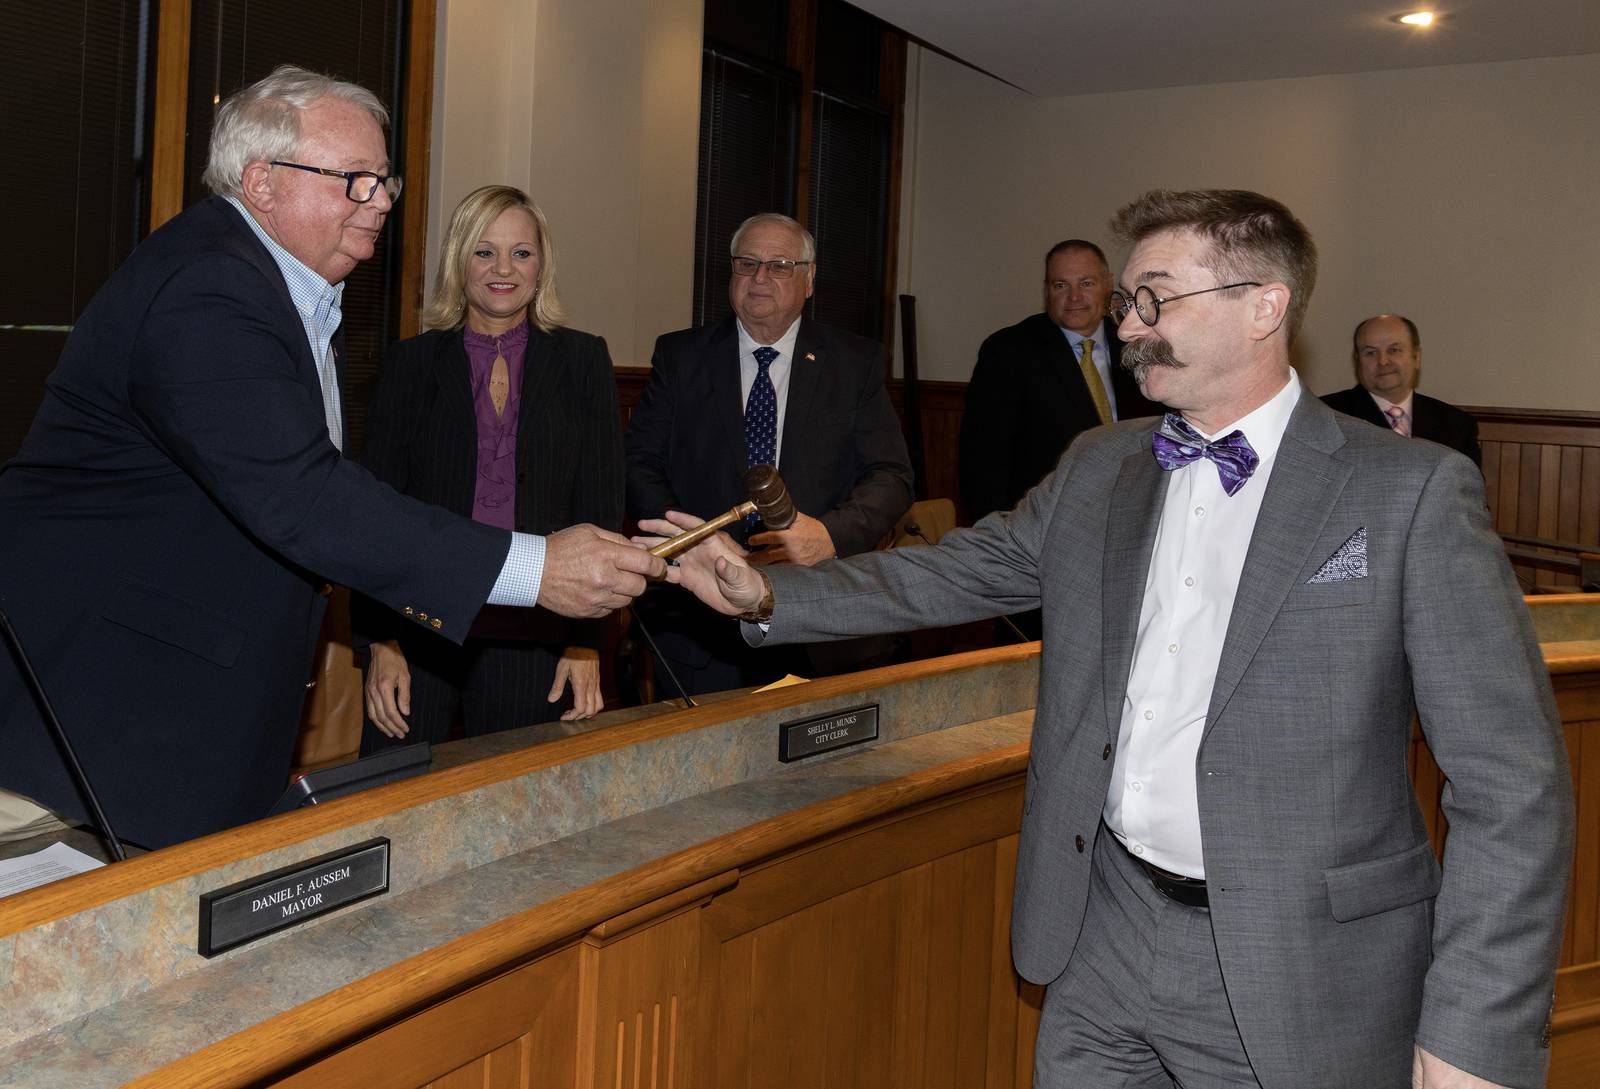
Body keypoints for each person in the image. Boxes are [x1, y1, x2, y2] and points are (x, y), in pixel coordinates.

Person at [644, 190, 1572, 1089]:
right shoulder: (1102, 463)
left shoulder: (1409, 492)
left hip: (1300, 968)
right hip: (1104, 936)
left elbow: (1512, 786)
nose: (1127, 325)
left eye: (1155, 298)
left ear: (1264, 306)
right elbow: (954, 570)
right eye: (1130, 300)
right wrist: (771, 591)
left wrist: (1474, 1031)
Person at [0, 66, 661, 849]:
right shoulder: (208, 288)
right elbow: (306, 496)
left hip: (170, 724)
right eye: (356, 180)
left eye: (385, 181)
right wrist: (536, 568)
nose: (381, 201)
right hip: (94, 726)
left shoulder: (285, 292)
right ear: (262, 181)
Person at [353, 186, 623, 753]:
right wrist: (381, 642)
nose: (503, 269)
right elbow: (374, 511)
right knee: (396, 792)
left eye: (521, 253)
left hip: (539, 628)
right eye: (485, 252)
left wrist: (586, 643)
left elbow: (600, 510)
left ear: (541, 266)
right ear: (460, 261)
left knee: (518, 793)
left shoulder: (583, 360)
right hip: (420, 623)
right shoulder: (409, 364)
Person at [624, 212, 912, 695]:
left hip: (819, 611)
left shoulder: (854, 363)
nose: (759, 278)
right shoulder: (681, 357)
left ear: (809, 279)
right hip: (701, 619)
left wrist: (829, 536)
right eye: (747, 264)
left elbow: (891, 475)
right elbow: (638, 464)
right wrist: (694, 541)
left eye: (779, 265)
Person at [959, 239, 1162, 525]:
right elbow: (982, 460)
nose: (1074, 297)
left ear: (1108, 284)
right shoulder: (1008, 351)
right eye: (1060, 285)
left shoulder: (1136, 345)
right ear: (1047, 291)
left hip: (1134, 515)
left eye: (1086, 283)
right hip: (1044, 523)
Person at [1323, 313, 1482, 465]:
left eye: (1394, 350)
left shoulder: (1457, 424)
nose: (1383, 361)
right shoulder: (1326, 415)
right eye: (1370, 353)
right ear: (1357, 361)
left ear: (1417, 357)